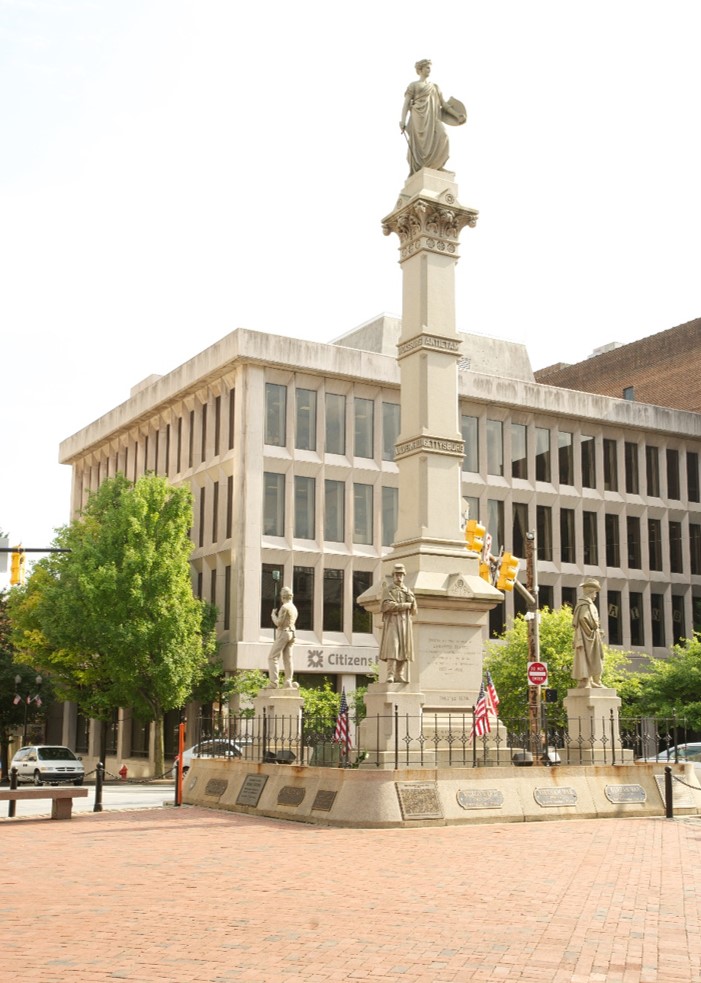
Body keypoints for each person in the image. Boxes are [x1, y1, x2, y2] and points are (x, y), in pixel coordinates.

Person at [399, 59, 467, 174]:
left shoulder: (434, 86)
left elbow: (443, 104)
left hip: (433, 117)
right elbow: (406, 104)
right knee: (421, 144)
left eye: (429, 67)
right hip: (419, 116)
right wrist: (403, 120)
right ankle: (423, 167)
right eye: (427, 67)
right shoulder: (414, 85)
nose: (429, 70)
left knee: (443, 135)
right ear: (420, 69)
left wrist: (457, 115)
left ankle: (437, 166)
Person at [379, 563, 418, 683]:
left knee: (404, 649)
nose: (399, 577)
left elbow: (414, 610)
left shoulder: (408, 591)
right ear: (393, 575)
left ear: (404, 576)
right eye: (396, 574)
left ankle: (399, 674)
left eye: (401, 574)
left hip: (405, 622)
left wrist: (412, 601)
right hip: (393, 622)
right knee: (393, 647)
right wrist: (403, 605)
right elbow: (386, 606)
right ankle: (390, 674)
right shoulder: (388, 590)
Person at [572, 578, 605, 688]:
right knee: (594, 657)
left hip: (590, 636)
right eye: (595, 592)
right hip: (589, 637)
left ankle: (592, 681)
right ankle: (593, 681)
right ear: (591, 592)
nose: (596, 595)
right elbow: (583, 618)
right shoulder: (586, 604)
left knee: (593, 658)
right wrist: (592, 631)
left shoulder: (584, 603)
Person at [267, 586, 298, 688]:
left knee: (272, 657)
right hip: (292, 633)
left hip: (284, 633)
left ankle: (274, 682)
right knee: (288, 659)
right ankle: (288, 680)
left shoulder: (285, 607)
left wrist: (273, 615)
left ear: (282, 597)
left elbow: (279, 623)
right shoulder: (294, 608)